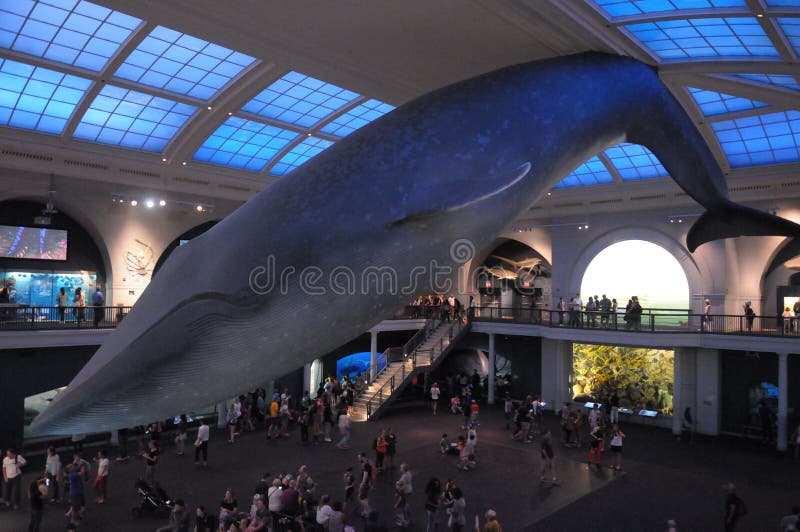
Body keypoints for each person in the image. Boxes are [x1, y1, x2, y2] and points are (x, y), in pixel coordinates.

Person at [357, 452, 374, 517]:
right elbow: (370, 474)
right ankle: (365, 511)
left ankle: (368, 510)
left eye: (359, 457)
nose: (358, 459)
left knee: (360, 498)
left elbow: (365, 474)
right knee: (365, 498)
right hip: (368, 483)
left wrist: (362, 483)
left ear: (362, 457)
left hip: (365, 483)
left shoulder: (365, 464)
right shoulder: (368, 462)